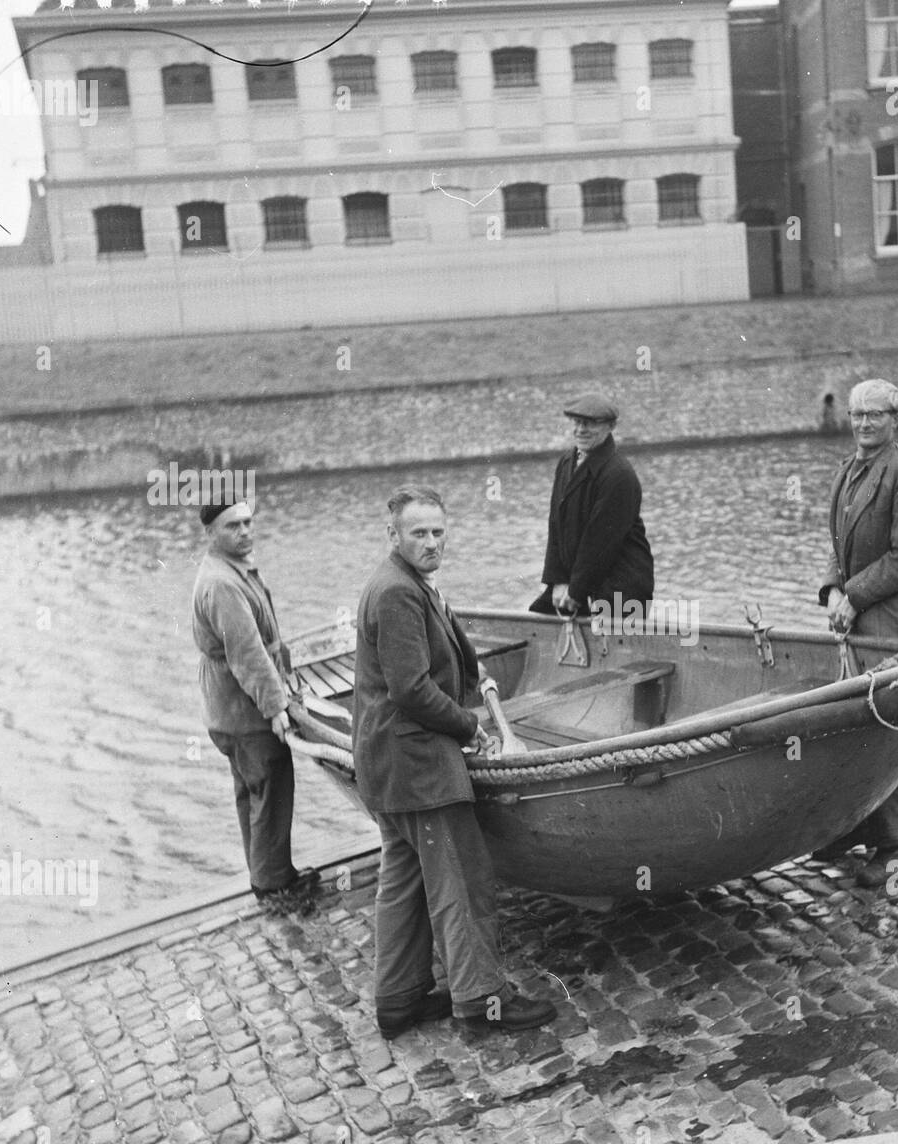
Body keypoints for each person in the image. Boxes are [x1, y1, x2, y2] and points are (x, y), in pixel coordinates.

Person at [352, 485, 556, 1039]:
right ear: (392, 535)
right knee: (461, 881)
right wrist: (469, 727)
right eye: (418, 533)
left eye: (438, 532)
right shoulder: (397, 593)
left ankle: (398, 1000)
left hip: (387, 766)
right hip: (419, 769)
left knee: (403, 882)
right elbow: (411, 689)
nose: (431, 542)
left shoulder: (403, 583)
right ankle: (481, 1000)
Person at [815, 378, 898, 887]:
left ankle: (895, 849)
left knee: (886, 734)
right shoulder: (848, 470)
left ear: (895, 419)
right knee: (853, 730)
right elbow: (838, 546)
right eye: (857, 414)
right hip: (853, 624)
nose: (864, 423)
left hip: (889, 629)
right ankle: (856, 826)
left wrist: (854, 596)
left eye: (875, 414)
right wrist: (831, 591)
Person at [192, 496, 317, 917]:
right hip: (244, 710)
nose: (245, 532)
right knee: (270, 788)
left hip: (227, 707)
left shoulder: (227, 570)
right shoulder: (223, 584)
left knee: (253, 793)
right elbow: (248, 654)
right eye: (233, 526)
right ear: (211, 533)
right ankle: (274, 887)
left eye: (247, 522)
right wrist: (276, 708)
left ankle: (268, 875)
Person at [529, 393, 654, 619]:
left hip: (621, 586)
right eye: (577, 422)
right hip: (580, 579)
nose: (581, 430)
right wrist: (557, 580)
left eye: (590, 423)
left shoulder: (619, 474)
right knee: (538, 617)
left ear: (611, 427)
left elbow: (601, 541)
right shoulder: (567, 462)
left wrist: (576, 591)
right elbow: (556, 524)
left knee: (609, 637)